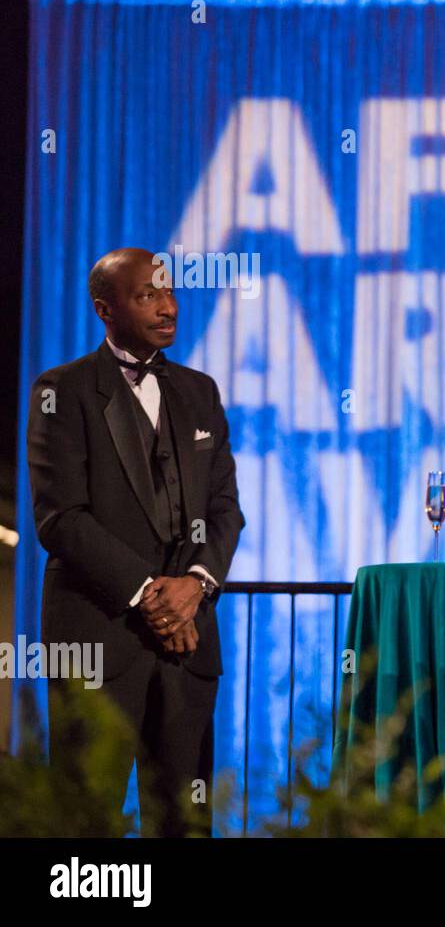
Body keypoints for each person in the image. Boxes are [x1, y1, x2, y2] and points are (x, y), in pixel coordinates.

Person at [27, 247, 244, 836]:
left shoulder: (201, 392)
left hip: (189, 645)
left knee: (184, 819)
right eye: (147, 295)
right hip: (96, 639)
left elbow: (226, 509)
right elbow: (61, 519)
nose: (168, 306)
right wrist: (154, 595)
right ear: (105, 308)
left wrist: (195, 586)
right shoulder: (61, 390)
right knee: (85, 822)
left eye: (169, 292)